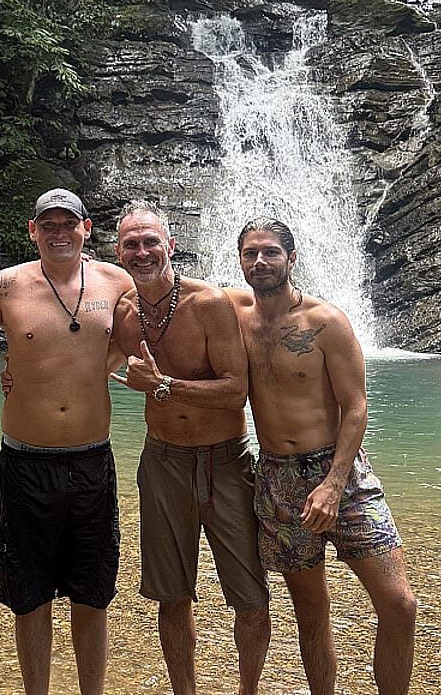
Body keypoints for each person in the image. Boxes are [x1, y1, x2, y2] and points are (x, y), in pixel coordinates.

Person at [226, 217, 417, 695]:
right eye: (251, 253)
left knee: (399, 604)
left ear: (291, 258)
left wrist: (333, 484)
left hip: (341, 473)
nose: (260, 262)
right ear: (241, 261)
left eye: (271, 252)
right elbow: (165, 288)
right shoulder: (235, 317)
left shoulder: (325, 322)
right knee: (311, 612)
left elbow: (356, 407)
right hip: (277, 479)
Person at [0, 188, 134, 695]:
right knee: (29, 594)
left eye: (69, 223)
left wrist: (93, 371)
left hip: (91, 460)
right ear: (33, 230)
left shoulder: (116, 281)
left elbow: (146, 339)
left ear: (87, 228)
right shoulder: (5, 286)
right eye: (49, 224)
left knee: (93, 592)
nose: (59, 232)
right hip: (25, 461)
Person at [108, 201, 271, 695]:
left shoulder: (209, 304)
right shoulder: (124, 313)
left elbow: (235, 390)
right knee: (171, 595)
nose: (142, 252)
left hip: (227, 461)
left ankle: (247, 690)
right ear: (118, 252)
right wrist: (15, 377)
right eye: (131, 244)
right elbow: (85, 363)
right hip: (163, 463)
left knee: (250, 595)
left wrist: (163, 387)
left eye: (151, 241)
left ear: (171, 246)